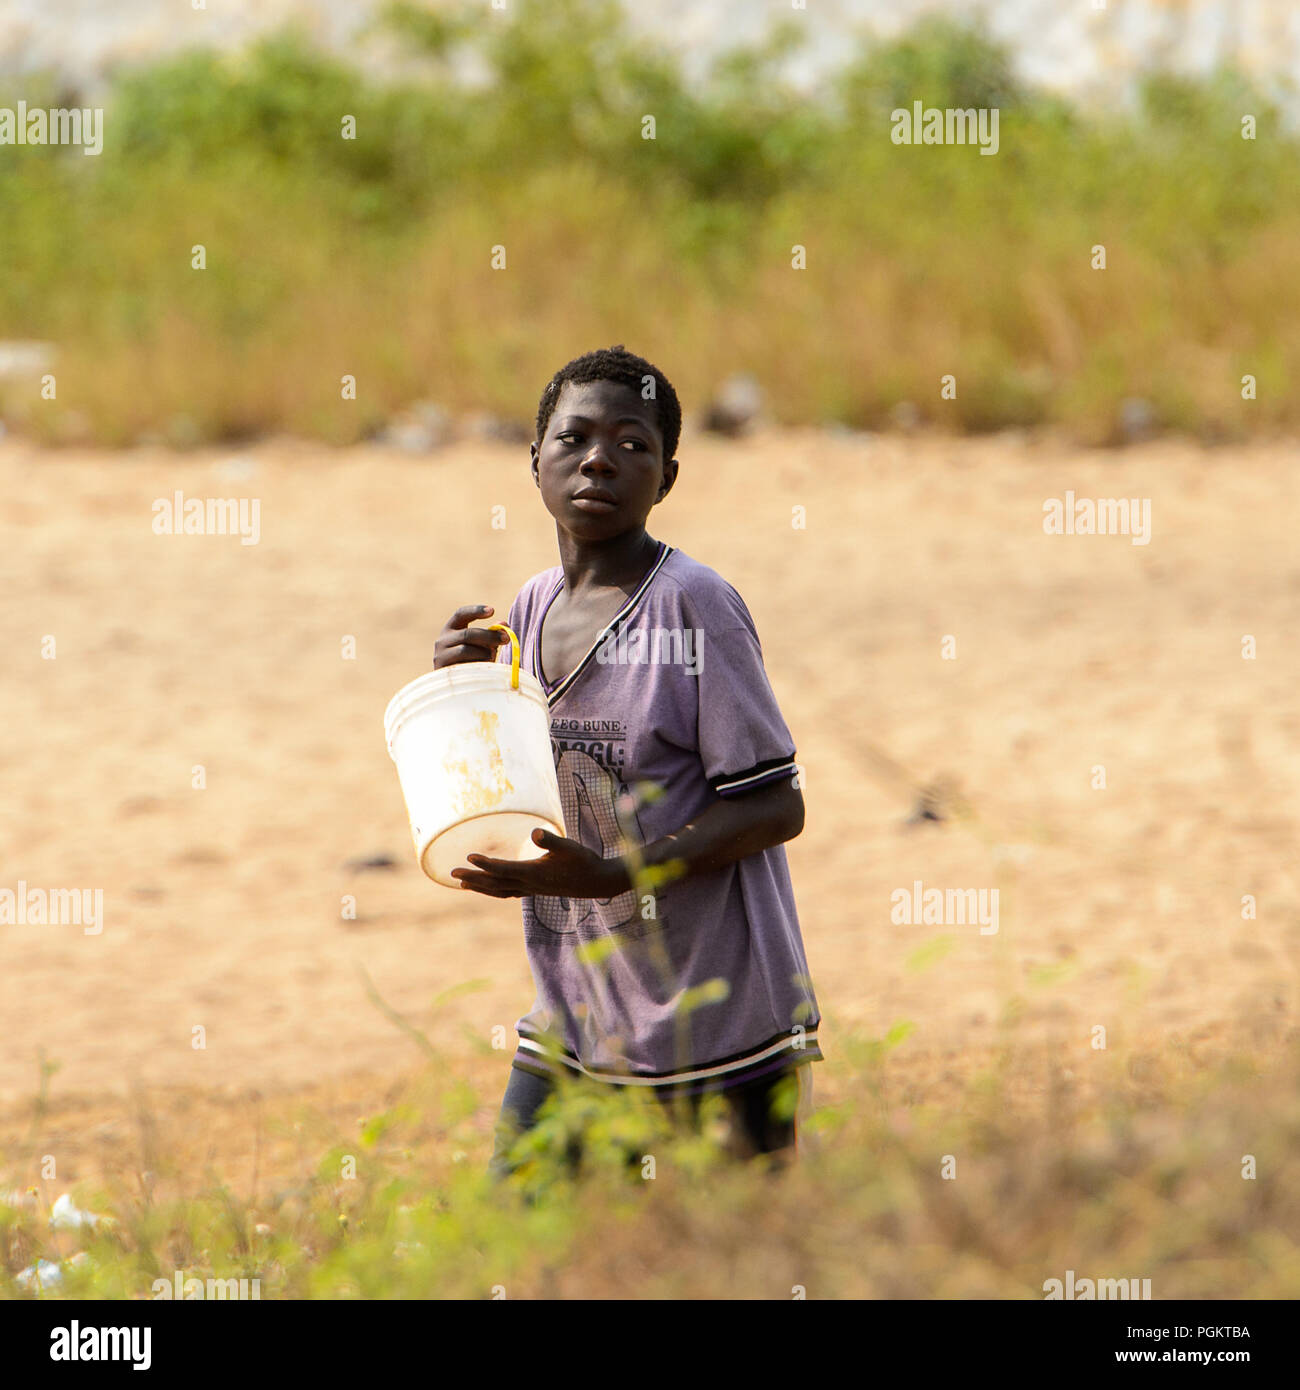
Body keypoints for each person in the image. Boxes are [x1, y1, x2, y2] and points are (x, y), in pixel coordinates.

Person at [432, 345, 822, 1179]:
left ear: (668, 477)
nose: (600, 459)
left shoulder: (695, 605)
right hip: (578, 1012)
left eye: (633, 444)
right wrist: (462, 693)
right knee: (527, 1237)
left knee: (725, 1262)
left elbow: (774, 806)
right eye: (573, 438)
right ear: (533, 460)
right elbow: (529, 777)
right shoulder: (531, 608)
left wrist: (616, 875)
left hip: (714, 1024)